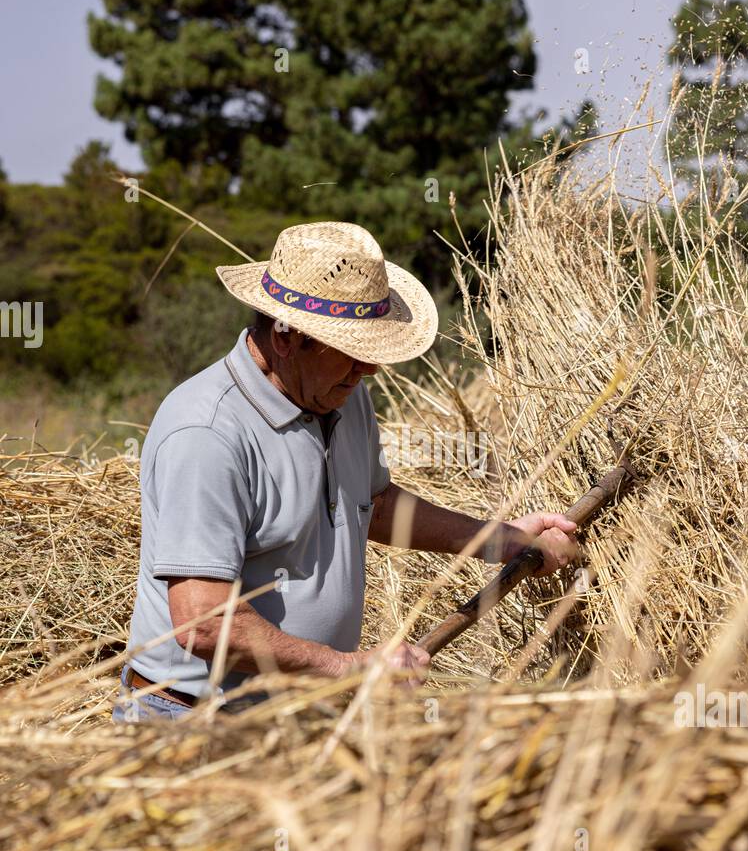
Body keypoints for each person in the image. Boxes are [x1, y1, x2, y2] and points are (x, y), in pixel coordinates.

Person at [116, 221, 577, 720]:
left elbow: (373, 504)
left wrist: (500, 539)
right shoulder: (206, 434)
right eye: (353, 350)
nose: (370, 369)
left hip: (294, 714)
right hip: (192, 720)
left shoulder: (342, 394)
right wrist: (348, 668)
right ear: (287, 337)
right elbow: (204, 623)